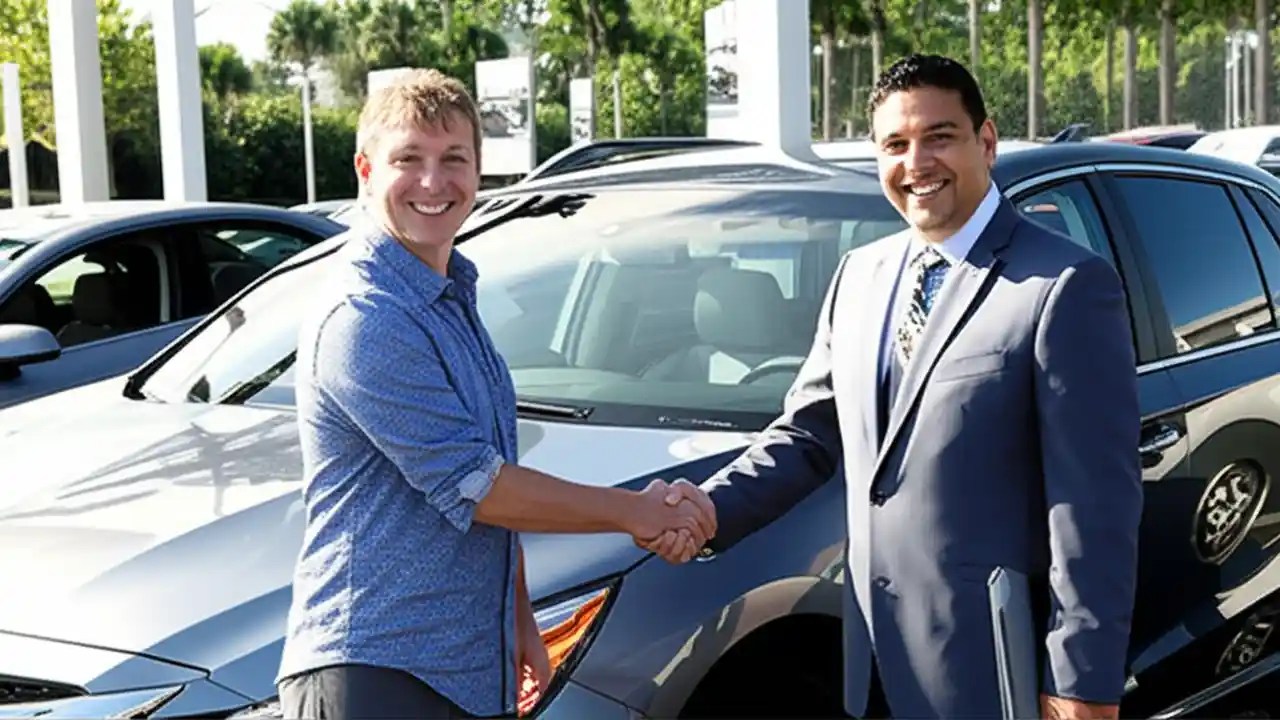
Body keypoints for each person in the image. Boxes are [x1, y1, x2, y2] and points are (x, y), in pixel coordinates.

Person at [650, 54, 1142, 720]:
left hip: (993, 663)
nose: (917, 163)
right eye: (895, 144)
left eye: (939, 137)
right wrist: (708, 510)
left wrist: (1082, 682)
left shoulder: (1063, 286)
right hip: (872, 659)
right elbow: (809, 435)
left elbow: (1094, 509)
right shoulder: (861, 276)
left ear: (986, 142)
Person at [276, 69, 716, 720]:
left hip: (460, 668)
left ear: (479, 171)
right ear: (366, 170)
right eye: (409, 160)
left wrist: (516, 623)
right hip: (375, 671)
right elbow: (477, 486)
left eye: (454, 159)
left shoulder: (448, 295)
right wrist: (639, 513)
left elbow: (482, 477)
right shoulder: (366, 317)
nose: (434, 182)